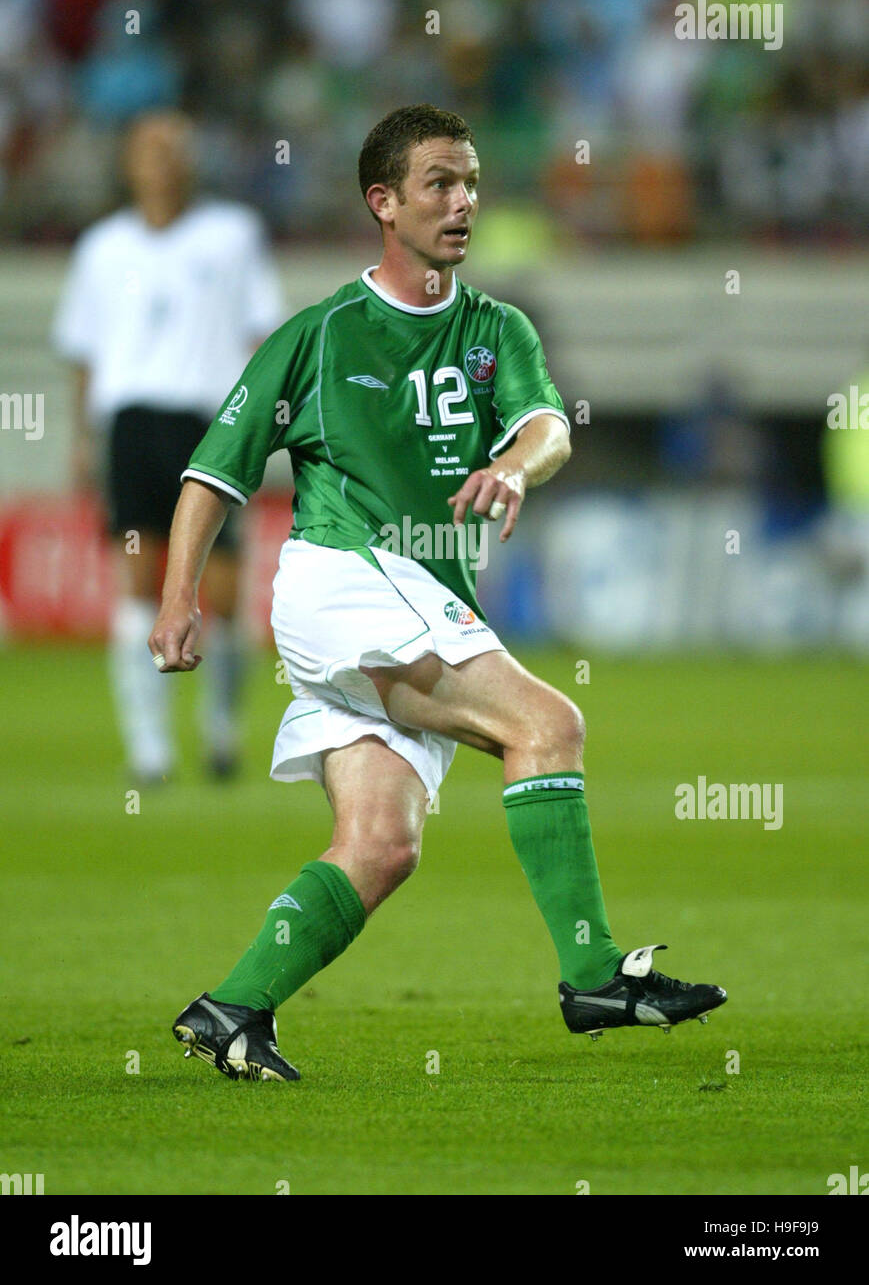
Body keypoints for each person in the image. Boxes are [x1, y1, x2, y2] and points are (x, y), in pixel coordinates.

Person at [150, 104, 726, 1082]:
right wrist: (178, 598)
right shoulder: (319, 337)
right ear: (383, 202)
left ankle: (231, 1009)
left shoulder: (495, 328)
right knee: (546, 725)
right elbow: (214, 473)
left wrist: (512, 464)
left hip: (413, 598)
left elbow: (549, 426)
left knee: (380, 844)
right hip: (349, 581)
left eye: (468, 182)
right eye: (436, 184)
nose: (460, 202)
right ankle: (593, 976)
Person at [53, 110, 284, 784]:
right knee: (138, 581)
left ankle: (221, 730)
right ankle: (150, 748)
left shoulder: (232, 235)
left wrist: (259, 426)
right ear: (129, 163)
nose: (163, 160)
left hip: (206, 426)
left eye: (175, 148)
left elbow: (260, 334)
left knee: (224, 588)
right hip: (129, 425)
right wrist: (80, 439)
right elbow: (84, 353)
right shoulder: (102, 248)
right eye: (150, 149)